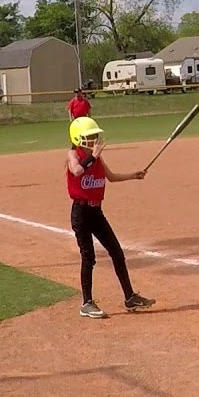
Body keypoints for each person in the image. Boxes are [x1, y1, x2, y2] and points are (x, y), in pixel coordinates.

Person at [65, 116, 156, 319]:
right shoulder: (74, 154)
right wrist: (93, 157)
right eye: (90, 136)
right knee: (88, 257)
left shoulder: (97, 160)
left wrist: (134, 175)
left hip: (96, 212)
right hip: (81, 213)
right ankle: (86, 303)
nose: (95, 139)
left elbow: (111, 177)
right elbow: (77, 170)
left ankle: (130, 297)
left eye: (95, 135)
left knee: (116, 252)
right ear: (79, 138)